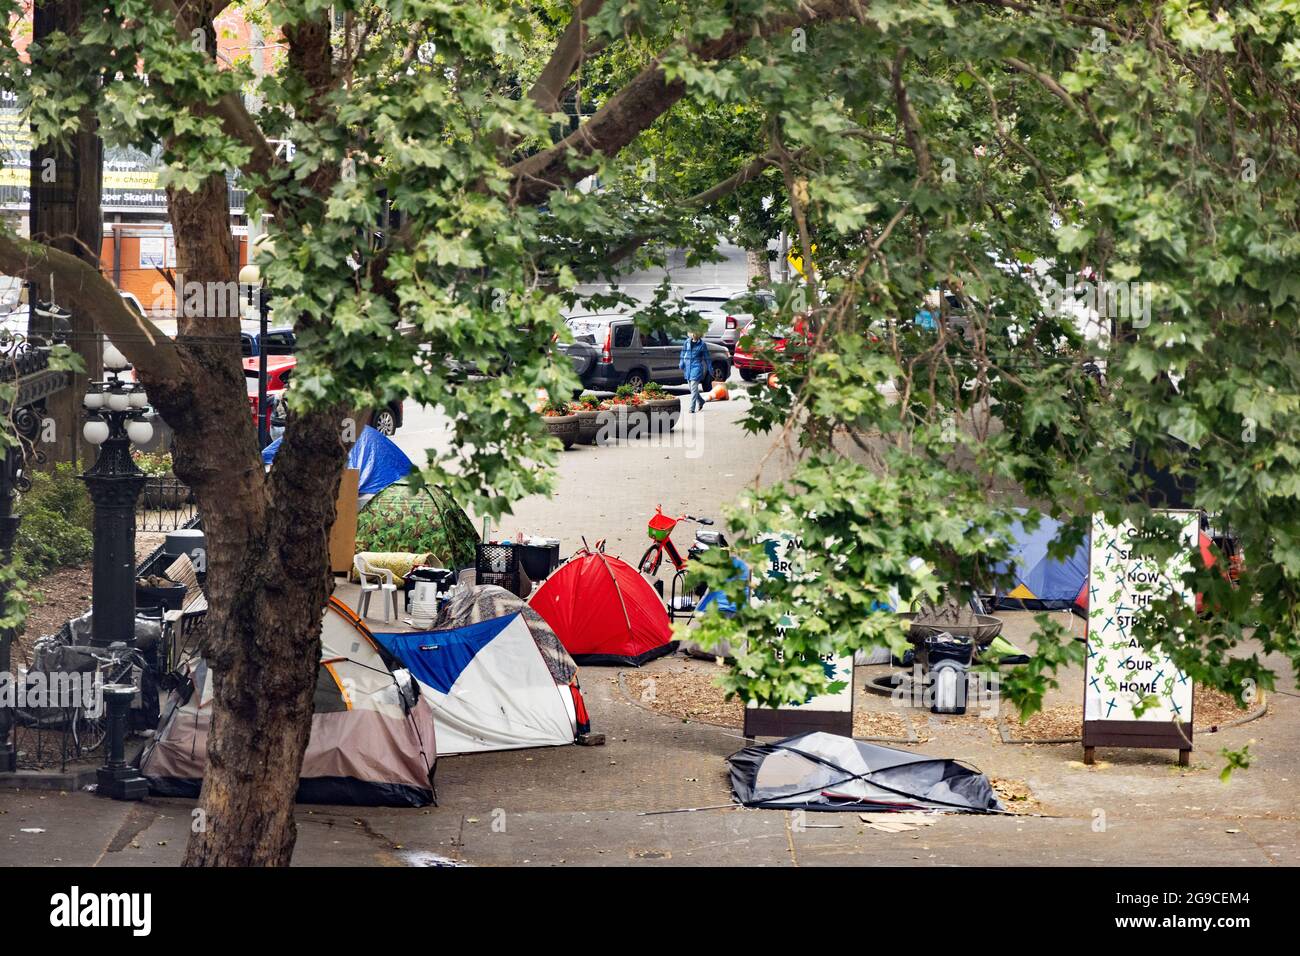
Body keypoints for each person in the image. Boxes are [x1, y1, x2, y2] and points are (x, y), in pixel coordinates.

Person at [679, 331, 711, 413]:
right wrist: (681, 362)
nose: (694, 335)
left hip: (696, 367)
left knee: (693, 388)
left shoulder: (702, 345)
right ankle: (701, 401)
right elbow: (683, 353)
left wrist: (711, 369)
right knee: (692, 389)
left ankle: (692, 408)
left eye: (696, 333)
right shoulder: (687, 342)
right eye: (692, 333)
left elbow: (707, 358)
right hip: (688, 367)